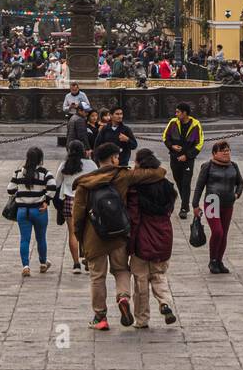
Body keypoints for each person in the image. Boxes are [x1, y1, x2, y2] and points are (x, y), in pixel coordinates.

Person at [71, 141, 166, 331]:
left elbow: (78, 216)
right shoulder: (123, 175)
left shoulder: (84, 182)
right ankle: (123, 297)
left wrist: (81, 237)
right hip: (118, 233)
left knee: (97, 276)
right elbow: (158, 173)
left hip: (93, 236)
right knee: (121, 270)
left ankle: (100, 317)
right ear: (114, 158)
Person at [127, 149, 178, 327]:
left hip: (143, 235)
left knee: (141, 279)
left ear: (139, 163)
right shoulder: (167, 186)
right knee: (158, 273)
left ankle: (142, 319)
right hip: (164, 234)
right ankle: (165, 302)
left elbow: (133, 217)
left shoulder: (135, 188)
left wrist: (129, 242)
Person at [191, 139, 243, 274]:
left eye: (227, 150)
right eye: (222, 151)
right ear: (214, 153)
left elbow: (240, 183)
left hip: (228, 203)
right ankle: (212, 260)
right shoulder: (207, 166)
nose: (226, 153)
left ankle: (219, 261)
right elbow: (199, 186)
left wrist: (236, 195)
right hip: (212, 202)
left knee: (224, 234)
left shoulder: (234, 166)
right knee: (217, 232)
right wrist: (195, 204)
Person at [7, 146, 57, 276]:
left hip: (22, 211)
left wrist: (21, 192)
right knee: (41, 238)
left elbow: (10, 189)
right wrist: (46, 200)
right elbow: (52, 187)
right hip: (39, 210)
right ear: (40, 159)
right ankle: (42, 263)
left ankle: (25, 266)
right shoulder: (45, 173)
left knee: (24, 239)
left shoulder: (18, 172)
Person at [55, 139, 97, 272]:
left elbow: (57, 183)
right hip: (86, 200)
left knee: (72, 233)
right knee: (87, 232)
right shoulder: (91, 164)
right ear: (83, 151)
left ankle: (76, 264)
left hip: (69, 200)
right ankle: (87, 259)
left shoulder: (65, 165)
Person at [162, 103, 204, 218]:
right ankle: (185, 202)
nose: (176, 114)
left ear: (184, 113)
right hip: (174, 158)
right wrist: (172, 147)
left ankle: (184, 208)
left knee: (186, 183)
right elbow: (165, 137)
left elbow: (199, 143)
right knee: (179, 181)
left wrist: (187, 155)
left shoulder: (195, 125)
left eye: (178, 112)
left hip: (188, 159)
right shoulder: (173, 122)